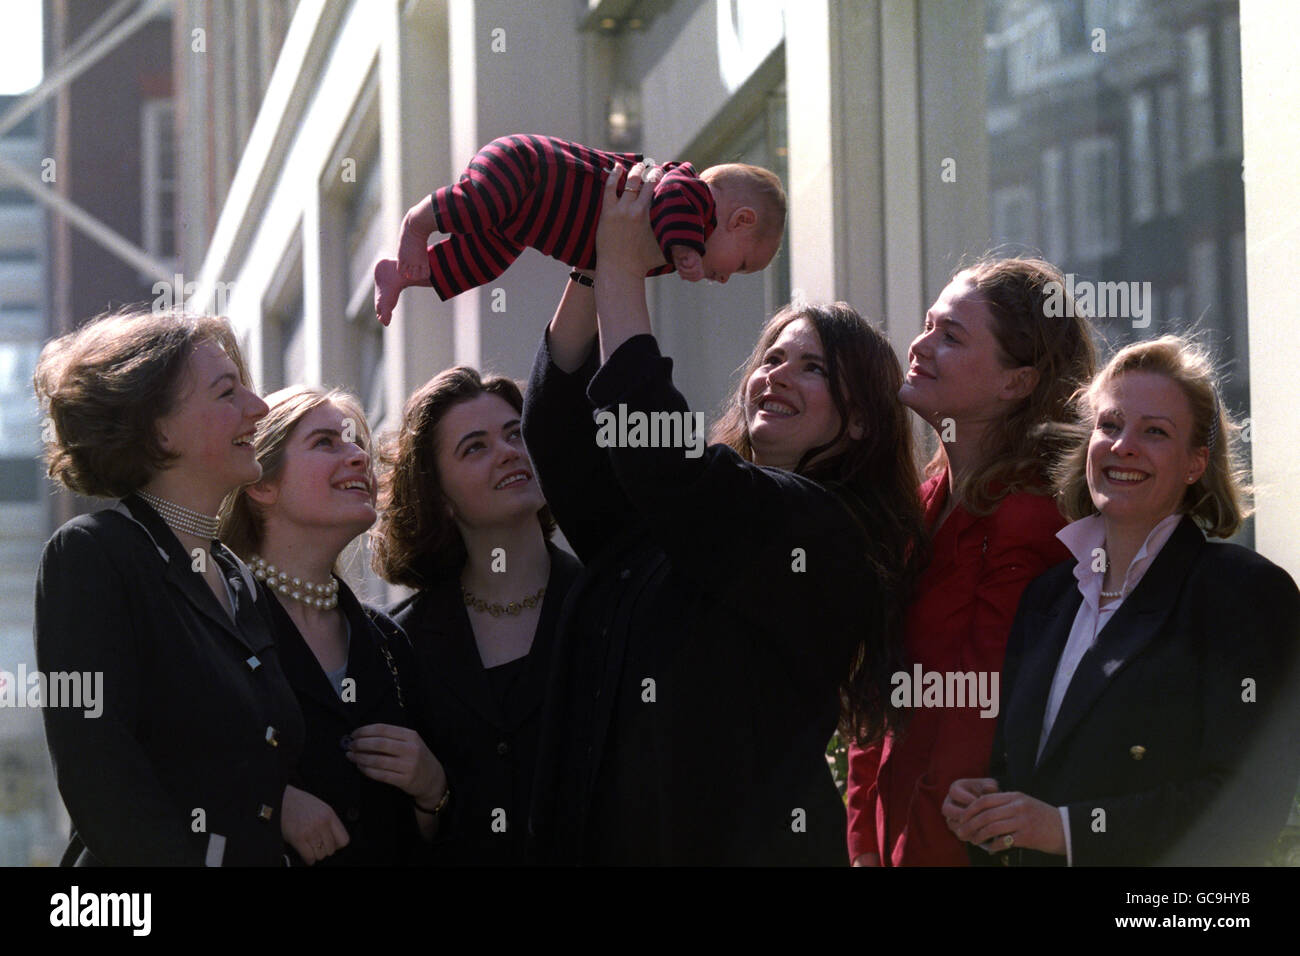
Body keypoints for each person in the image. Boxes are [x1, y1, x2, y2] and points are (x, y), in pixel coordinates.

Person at [521, 163, 925, 864]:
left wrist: (623, 271)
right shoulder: (672, 521)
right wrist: (593, 266)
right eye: (772, 357)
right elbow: (560, 438)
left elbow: (668, 466)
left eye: (814, 368)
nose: (776, 375)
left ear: (862, 421)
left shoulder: (826, 535)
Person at [944, 335, 1300, 865]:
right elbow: (1038, 772)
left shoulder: (1244, 593)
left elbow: (1248, 806)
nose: (1122, 445)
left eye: (1154, 432)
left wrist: (1065, 829)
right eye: (1109, 426)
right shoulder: (1048, 595)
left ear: (1195, 464)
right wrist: (987, 805)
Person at [845, 257, 1097, 866]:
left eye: (950, 335)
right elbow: (878, 694)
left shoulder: (1030, 516)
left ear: (1018, 382)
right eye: (929, 324)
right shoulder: (926, 502)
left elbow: (972, 724)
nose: (920, 344)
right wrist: (861, 844)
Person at [32, 308, 304, 866]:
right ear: (158, 429)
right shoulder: (90, 556)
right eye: (228, 392)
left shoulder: (238, 580)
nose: (258, 408)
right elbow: (100, 783)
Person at [220, 385, 447, 865]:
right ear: (261, 482)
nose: (358, 458)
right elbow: (162, 771)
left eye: (356, 443)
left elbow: (423, 839)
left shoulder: (389, 643)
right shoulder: (216, 625)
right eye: (326, 442)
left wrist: (432, 789)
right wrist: (270, 804)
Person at [373, 368, 580, 865]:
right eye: (475, 447)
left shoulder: (612, 608)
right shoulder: (399, 644)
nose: (510, 451)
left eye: (515, 434)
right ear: (439, 498)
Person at [373, 133, 785, 321]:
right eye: (744, 264)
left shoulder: (671, 250)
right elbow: (670, 201)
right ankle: (417, 223)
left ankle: (401, 276)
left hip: (526, 224)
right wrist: (685, 248)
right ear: (740, 219)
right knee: (478, 203)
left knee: (482, 263)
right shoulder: (692, 192)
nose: (729, 278)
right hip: (528, 170)